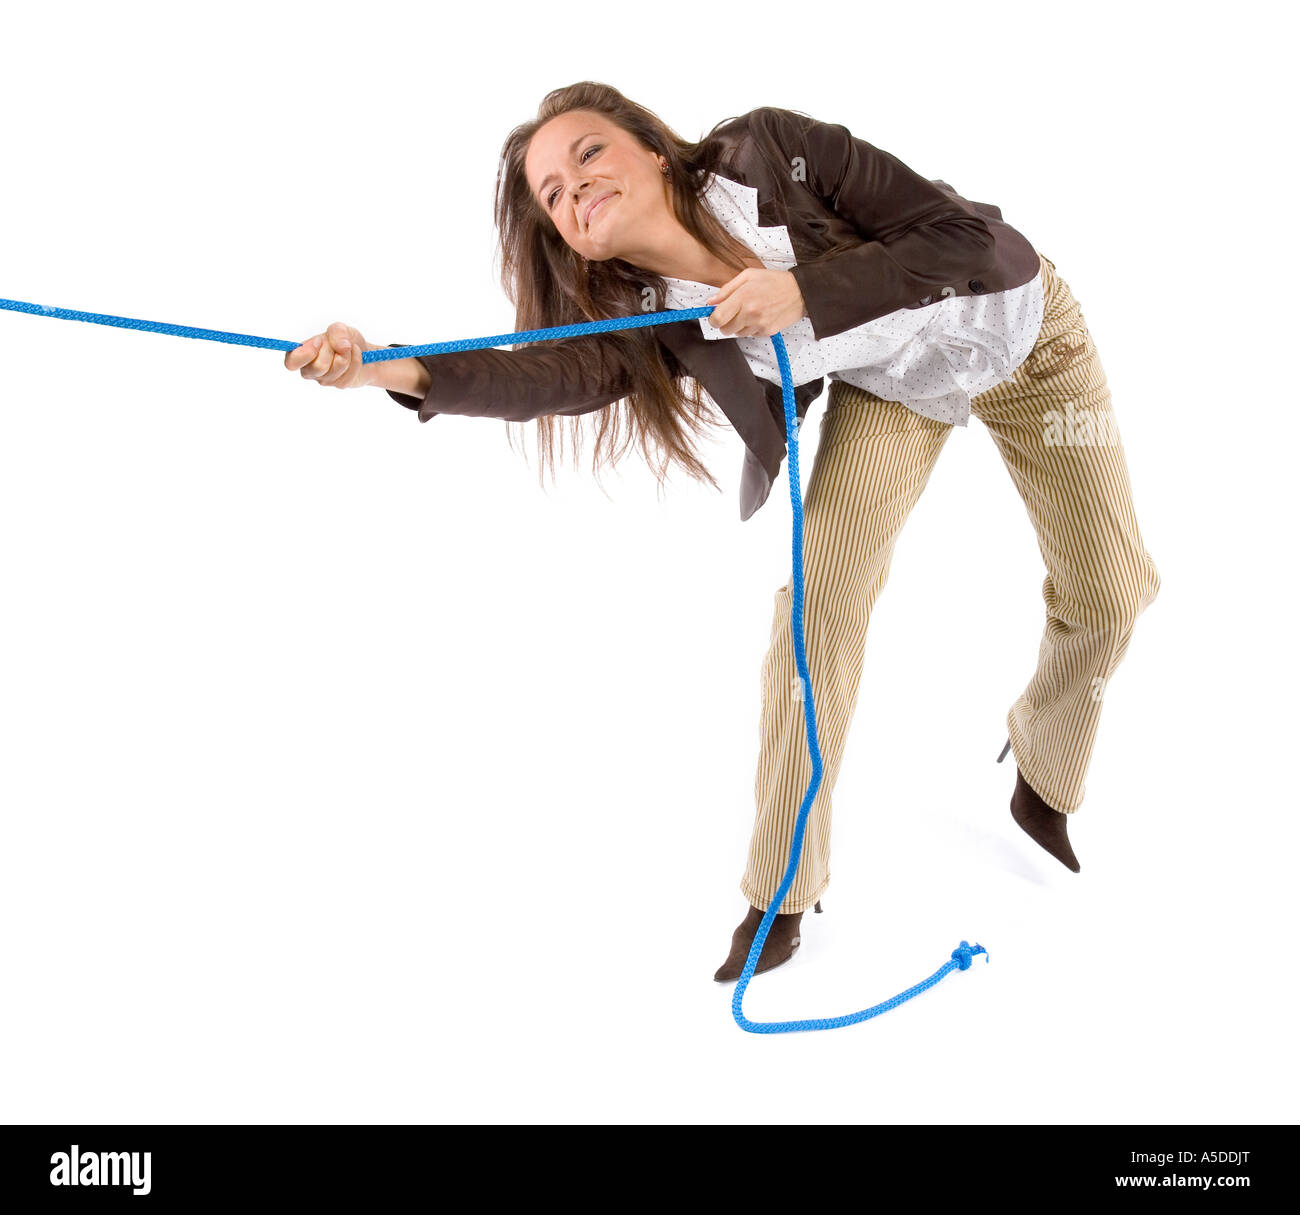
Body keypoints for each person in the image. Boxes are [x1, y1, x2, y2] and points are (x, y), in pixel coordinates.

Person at [283, 81, 1161, 984]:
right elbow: (538, 379)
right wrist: (392, 370)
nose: (574, 187)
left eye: (586, 154)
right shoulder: (648, 316)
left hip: (1027, 339)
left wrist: (801, 290)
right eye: (552, 195)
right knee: (815, 617)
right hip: (895, 394)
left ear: (651, 149)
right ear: (568, 238)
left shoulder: (771, 156)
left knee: (1111, 589)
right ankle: (783, 885)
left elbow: (962, 240)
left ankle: (1045, 754)